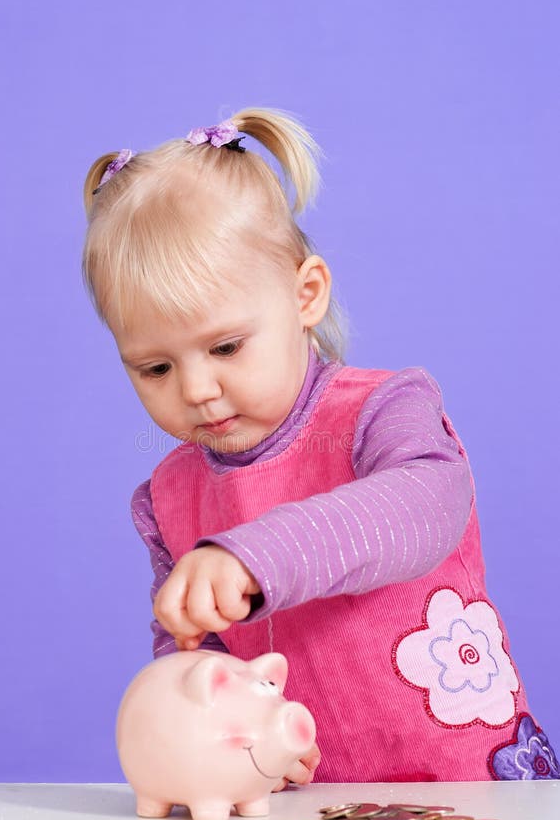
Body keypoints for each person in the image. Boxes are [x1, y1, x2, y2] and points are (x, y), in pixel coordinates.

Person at [81, 107, 558, 785]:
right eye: (154, 367)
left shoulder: (383, 409)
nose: (196, 389)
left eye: (225, 347)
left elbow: (422, 510)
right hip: (302, 806)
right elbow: (199, 663)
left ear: (306, 295)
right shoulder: (169, 500)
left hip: (463, 783)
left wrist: (253, 558)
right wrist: (193, 717)